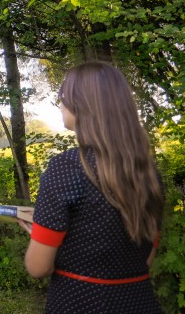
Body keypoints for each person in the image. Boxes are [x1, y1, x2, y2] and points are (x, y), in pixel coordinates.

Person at [20, 61, 164, 313]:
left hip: (78, 303)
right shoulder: (147, 172)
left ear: (82, 104)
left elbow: (38, 267)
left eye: (63, 96)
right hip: (140, 303)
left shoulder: (66, 168)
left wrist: (40, 234)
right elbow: (146, 259)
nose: (60, 104)